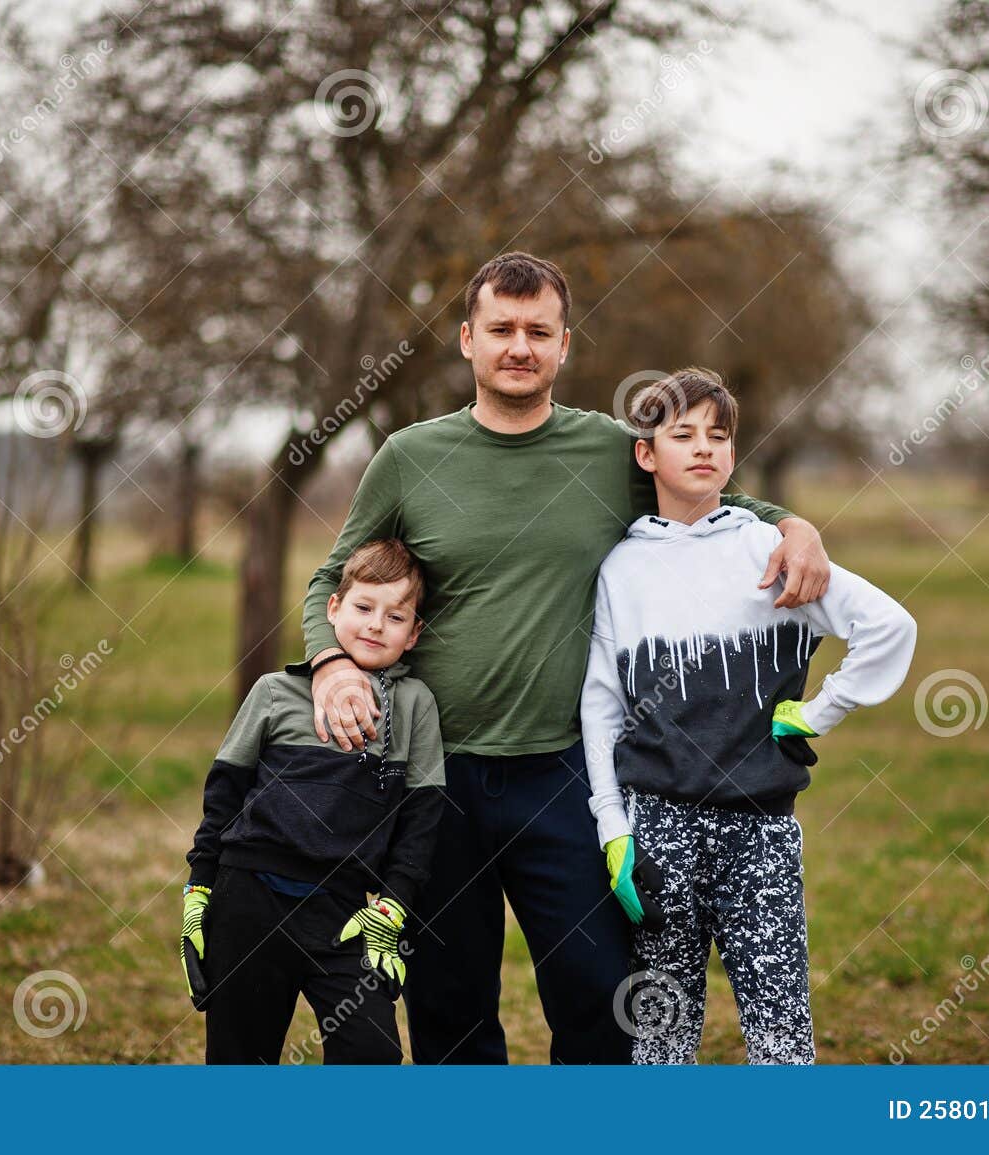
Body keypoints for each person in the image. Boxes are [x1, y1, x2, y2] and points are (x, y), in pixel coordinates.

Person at [300, 252, 835, 1064]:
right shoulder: (411, 458)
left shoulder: (608, 450)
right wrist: (333, 665)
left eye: (538, 331)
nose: (520, 346)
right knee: (450, 1004)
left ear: (564, 345)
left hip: (572, 777)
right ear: (468, 340)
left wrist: (797, 526)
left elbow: (712, 498)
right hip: (436, 777)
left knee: (597, 995)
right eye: (503, 330)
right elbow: (331, 581)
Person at [580, 367, 917, 1064]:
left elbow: (889, 625)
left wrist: (818, 713)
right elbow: (601, 704)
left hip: (759, 828)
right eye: (683, 434)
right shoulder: (620, 569)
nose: (704, 447)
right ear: (647, 454)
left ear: (733, 454)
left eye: (719, 434)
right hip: (658, 832)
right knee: (660, 1036)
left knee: (780, 1029)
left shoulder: (772, 552)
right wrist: (614, 828)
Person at [179, 539, 445, 1064]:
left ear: (414, 634)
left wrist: (394, 904)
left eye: (395, 616)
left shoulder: (416, 706)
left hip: (345, 915)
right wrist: (199, 884)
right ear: (333, 609)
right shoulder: (275, 691)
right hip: (248, 899)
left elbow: (422, 818)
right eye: (363, 607)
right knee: (239, 1061)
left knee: (371, 1055)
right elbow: (225, 793)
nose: (375, 625)